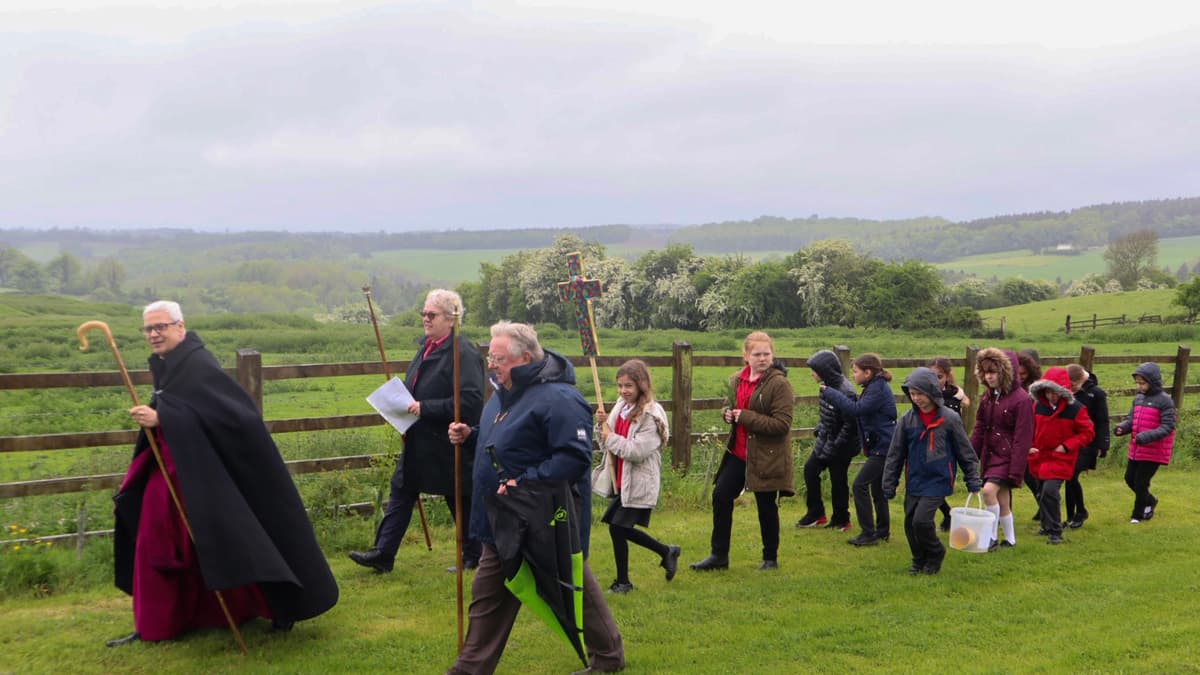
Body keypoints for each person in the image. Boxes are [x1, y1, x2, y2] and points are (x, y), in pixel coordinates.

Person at [108, 301, 338, 646]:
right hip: (174, 471)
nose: (154, 334)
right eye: (148, 329)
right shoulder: (168, 365)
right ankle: (157, 623)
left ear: (180, 327)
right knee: (155, 542)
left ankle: (281, 605)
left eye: (161, 327)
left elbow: (234, 419)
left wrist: (163, 418)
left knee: (237, 539)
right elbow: (187, 409)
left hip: (206, 478)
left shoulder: (198, 365)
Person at [445, 321, 624, 675]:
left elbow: (572, 457)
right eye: (490, 357)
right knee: (495, 594)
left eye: (497, 358)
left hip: (540, 516)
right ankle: (608, 656)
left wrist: (523, 482)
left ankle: (607, 656)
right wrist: (473, 434)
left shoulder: (560, 399)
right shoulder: (503, 393)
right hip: (503, 518)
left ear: (525, 357)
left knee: (569, 585)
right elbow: (514, 437)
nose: (491, 365)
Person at [350, 289, 484, 574]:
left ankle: (474, 554)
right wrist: (400, 408)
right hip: (417, 438)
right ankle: (383, 554)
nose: (425, 318)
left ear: (451, 320)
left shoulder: (463, 353)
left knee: (459, 496)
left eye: (431, 314)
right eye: (424, 313)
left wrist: (426, 407)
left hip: (449, 440)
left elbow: (471, 401)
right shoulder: (426, 347)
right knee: (401, 490)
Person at [691, 331, 795, 571]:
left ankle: (770, 558)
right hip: (738, 453)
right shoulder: (736, 379)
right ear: (746, 356)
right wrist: (727, 413)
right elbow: (732, 406)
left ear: (772, 355)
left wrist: (745, 417)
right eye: (756, 354)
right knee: (721, 496)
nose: (762, 358)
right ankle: (719, 556)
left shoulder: (779, 384)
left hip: (766, 455)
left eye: (766, 354)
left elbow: (782, 425)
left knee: (766, 505)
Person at [882, 367, 982, 575]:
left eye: (920, 393)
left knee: (922, 520)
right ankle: (919, 560)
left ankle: (935, 552)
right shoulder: (907, 420)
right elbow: (895, 454)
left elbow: (966, 452)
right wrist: (889, 482)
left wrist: (973, 478)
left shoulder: (949, 419)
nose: (916, 398)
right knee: (910, 523)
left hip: (939, 479)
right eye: (912, 394)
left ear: (932, 392)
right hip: (915, 478)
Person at [593, 359, 680, 593]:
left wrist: (609, 436)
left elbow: (636, 451)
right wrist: (601, 426)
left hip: (640, 480)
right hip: (623, 478)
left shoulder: (651, 415)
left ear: (641, 385)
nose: (623, 391)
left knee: (617, 527)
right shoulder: (622, 407)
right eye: (620, 385)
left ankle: (624, 582)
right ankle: (666, 552)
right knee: (618, 527)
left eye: (629, 386)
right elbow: (607, 442)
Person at [820, 353, 897, 547]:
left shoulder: (877, 388)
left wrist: (831, 393)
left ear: (868, 372)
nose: (853, 375)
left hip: (882, 447)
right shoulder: (873, 386)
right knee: (877, 490)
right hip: (880, 446)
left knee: (859, 485)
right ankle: (882, 531)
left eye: (855, 371)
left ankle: (868, 533)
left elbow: (856, 409)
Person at [970, 348, 1034, 550]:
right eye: (985, 371)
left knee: (988, 491)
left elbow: (1023, 437)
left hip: (1008, 456)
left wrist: (1016, 468)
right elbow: (980, 426)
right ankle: (1011, 539)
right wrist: (971, 452)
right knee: (1002, 499)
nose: (989, 376)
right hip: (990, 454)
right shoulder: (988, 397)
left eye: (994, 372)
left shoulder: (1021, 399)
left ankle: (991, 537)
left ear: (1006, 372)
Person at [1028, 367, 1095, 544]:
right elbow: (1030, 429)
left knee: (1050, 492)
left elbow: (1088, 433)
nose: (1051, 396)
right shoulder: (1037, 406)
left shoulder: (1076, 409)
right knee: (1041, 493)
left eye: (1055, 392)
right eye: (1048, 392)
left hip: (1061, 457)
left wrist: (1067, 446)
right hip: (1040, 456)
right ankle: (1046, 526)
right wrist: (1030, 446)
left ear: (1063, 390)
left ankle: (1055, 532)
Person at [795, 350, 858, 532]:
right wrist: (819, 428)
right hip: (826, 439)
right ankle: (816, 513)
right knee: (810, 470)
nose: (811, 373)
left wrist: (837, 444)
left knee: (838, 479)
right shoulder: (826, 387)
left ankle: (841, 519)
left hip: (842, 444)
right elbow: (826, 414)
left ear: (825, 370)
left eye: (814, 370)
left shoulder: (846, 392)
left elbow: (850, 423)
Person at [1114, 363, 1177, 524]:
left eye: (1142, 383)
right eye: (1137, 383)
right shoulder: (1138, 399)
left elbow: (1168, 426)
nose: (1139, 386)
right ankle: (1150, 501)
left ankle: (1137, 515)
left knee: (1141, 482)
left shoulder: (1165, 401)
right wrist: (1122, 428)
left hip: (1154, 450)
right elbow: (1131, 420)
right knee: (1129, 479)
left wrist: (1147, 436)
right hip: (1136, 448)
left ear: (1153, 381)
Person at [1064, 364, 1110, 528]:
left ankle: (1081, 512)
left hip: (1088, 442)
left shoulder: (1096, 393)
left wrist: (1103, 445)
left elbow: (1103, 420)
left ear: (1081, 380)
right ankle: (1071, 516)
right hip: (1071, 441)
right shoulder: (1069, 392)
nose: (1071, 389)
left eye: (1073, 385)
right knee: (1068, 477)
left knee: (1071, 475)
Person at [928, 356, 970, 532]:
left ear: (947, 376)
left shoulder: (954, 394)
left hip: (948, 445)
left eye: (939, 376)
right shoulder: (926, 393)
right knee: (930, 483)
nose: (936, 381)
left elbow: (966, 403)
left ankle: (947, 515)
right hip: (930, 444)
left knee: (938, 483)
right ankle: (947, 514)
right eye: (932, 376)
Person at [1017, 349, 1043, 521]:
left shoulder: (1040, 388)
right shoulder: (1015, 386)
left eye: (1024, 373)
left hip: (1036, 434)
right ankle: (1043, 505)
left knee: (1035, 474)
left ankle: (1045, 506)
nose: (1021, 376)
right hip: (1021, 434)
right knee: (1027, 474)